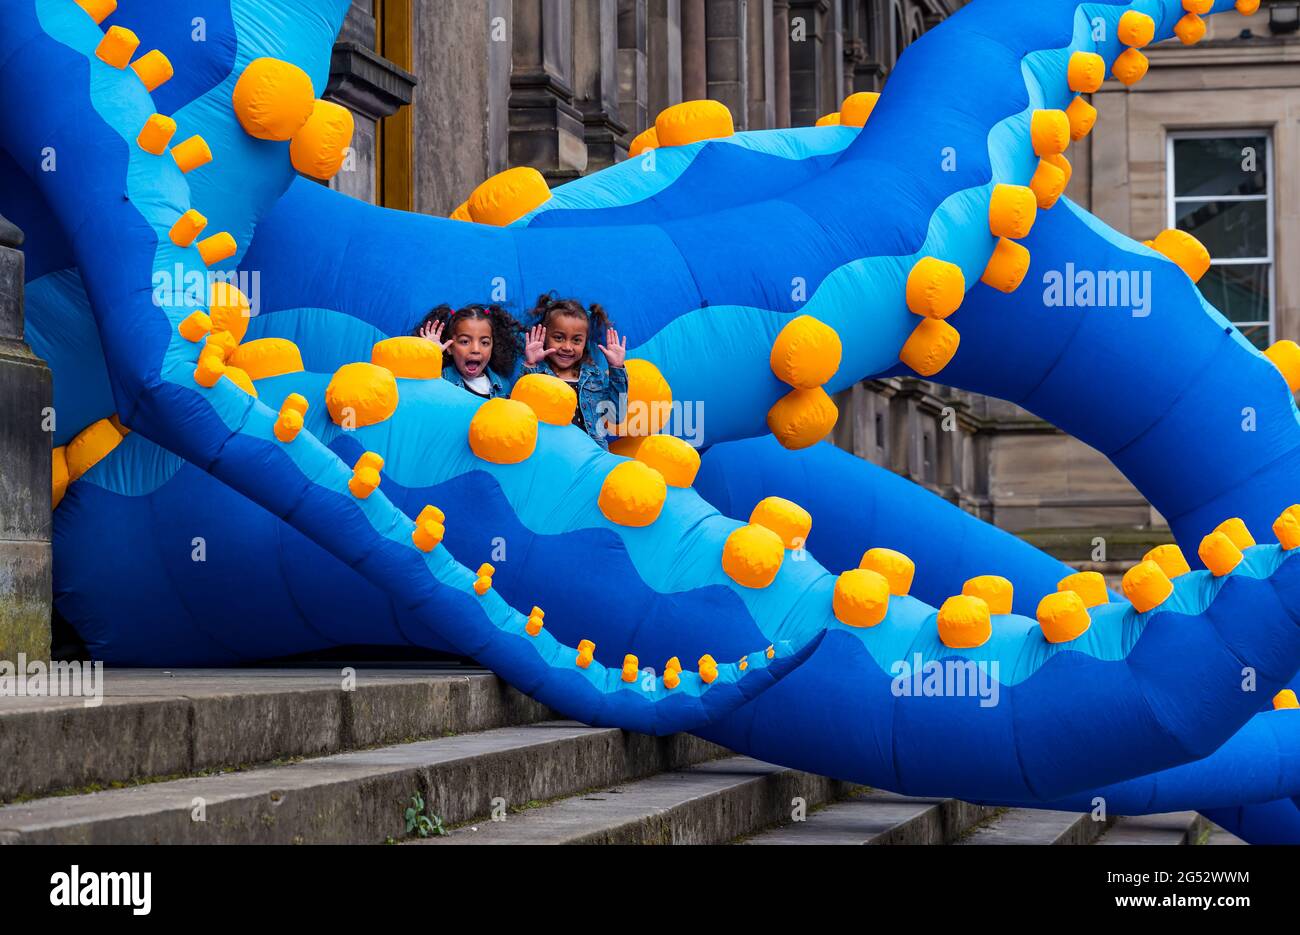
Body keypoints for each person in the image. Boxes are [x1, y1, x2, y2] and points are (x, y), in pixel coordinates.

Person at [522, 294, 627, 449]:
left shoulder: (594, 376)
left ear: (585, 343)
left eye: (576, 340)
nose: (567, 347)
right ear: (545, 338)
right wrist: (531, 364)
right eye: (559, 338)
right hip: (553, 455)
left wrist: (617, 368)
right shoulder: (539, 375)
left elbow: (616, 416)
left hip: (592, 457)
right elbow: (524, 412)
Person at [414, 303, 518, 399]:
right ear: (449, 347)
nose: (476, 349)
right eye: (465, 341)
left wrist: (530, 365)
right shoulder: (441, 379)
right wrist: (429, 355)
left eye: (484, 343)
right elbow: (418, 393)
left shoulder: (503, 386)